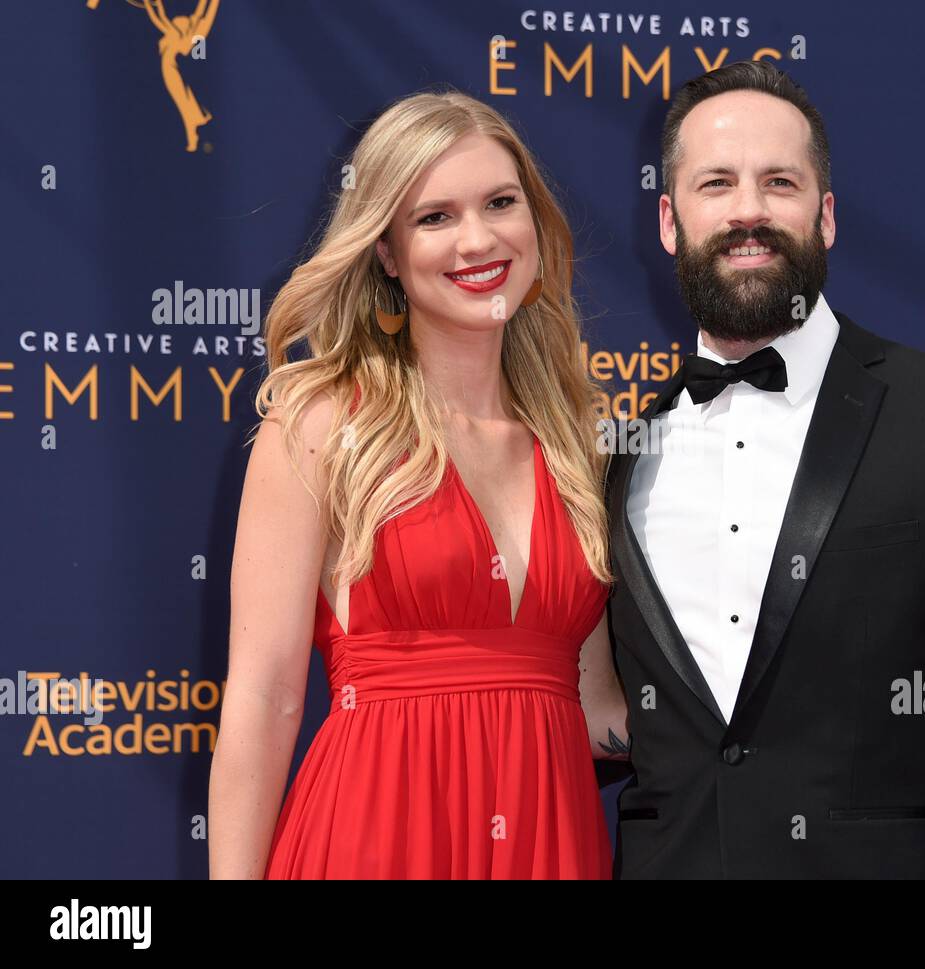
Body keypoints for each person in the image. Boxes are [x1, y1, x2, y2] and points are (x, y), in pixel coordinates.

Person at [606, 61, 925, 878]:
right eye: (715, 183)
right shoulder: (619, 457)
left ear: (825, 216)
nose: (748, 211)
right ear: (668, 220)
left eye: (780, 183)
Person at [208, 89, 628, 879]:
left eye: (501, 203)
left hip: (549, 842)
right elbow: (265, 701)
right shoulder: (323, 422)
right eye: (434, 217)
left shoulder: (574, 442)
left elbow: (598, 706)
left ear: (534, 222)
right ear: (387, 252)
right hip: (375, 835)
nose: (478, 239)